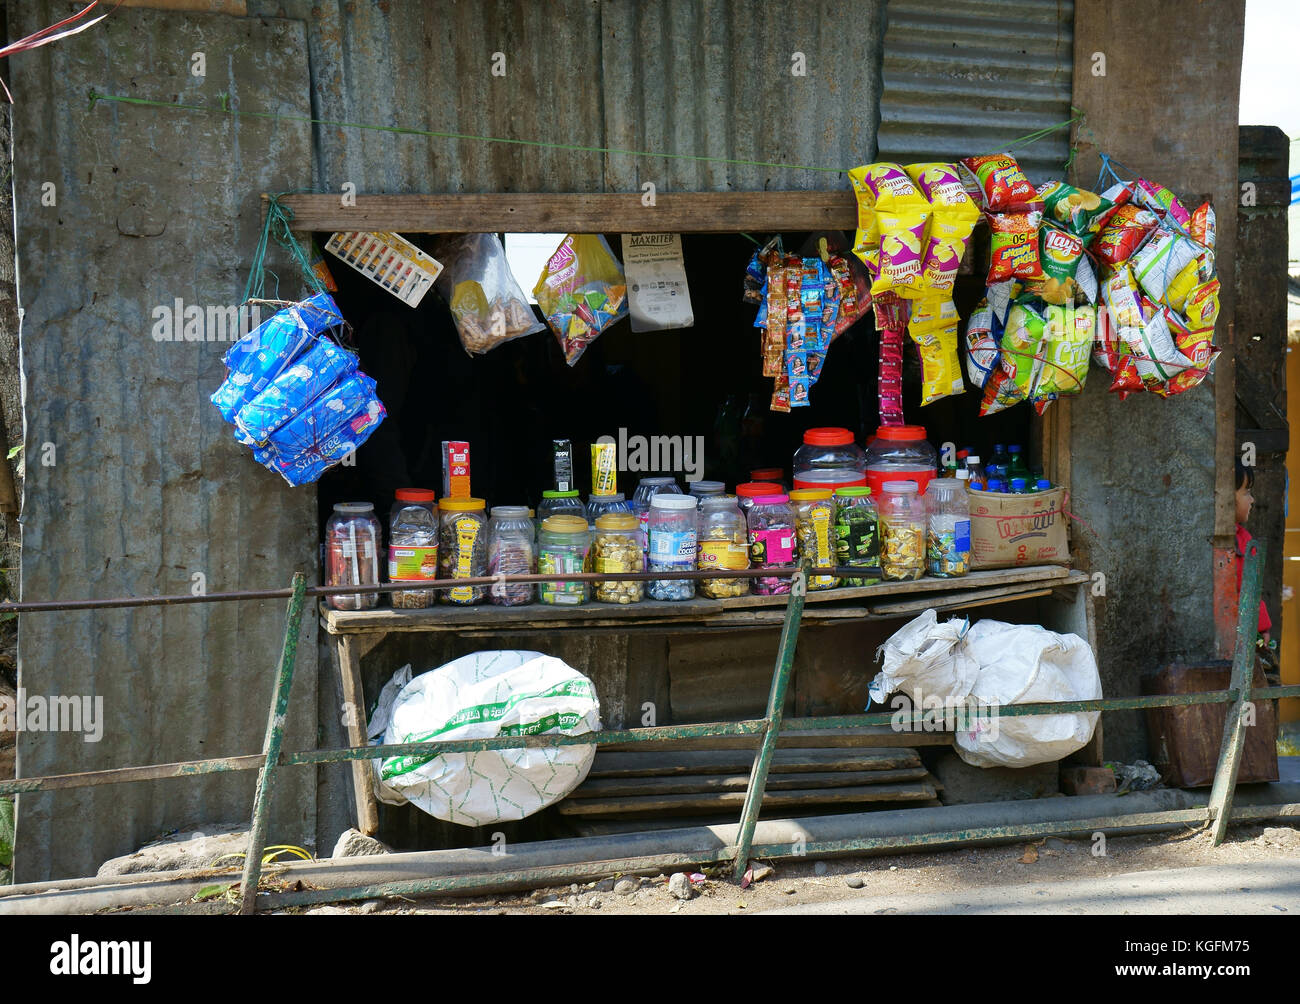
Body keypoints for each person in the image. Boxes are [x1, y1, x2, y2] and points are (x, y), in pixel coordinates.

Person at [1234, 461, 1270, 643]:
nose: (1252, 499)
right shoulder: (1240, 540)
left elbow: (1252, 590)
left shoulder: (1244, 539)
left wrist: (1261, 627)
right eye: (1246, 492)